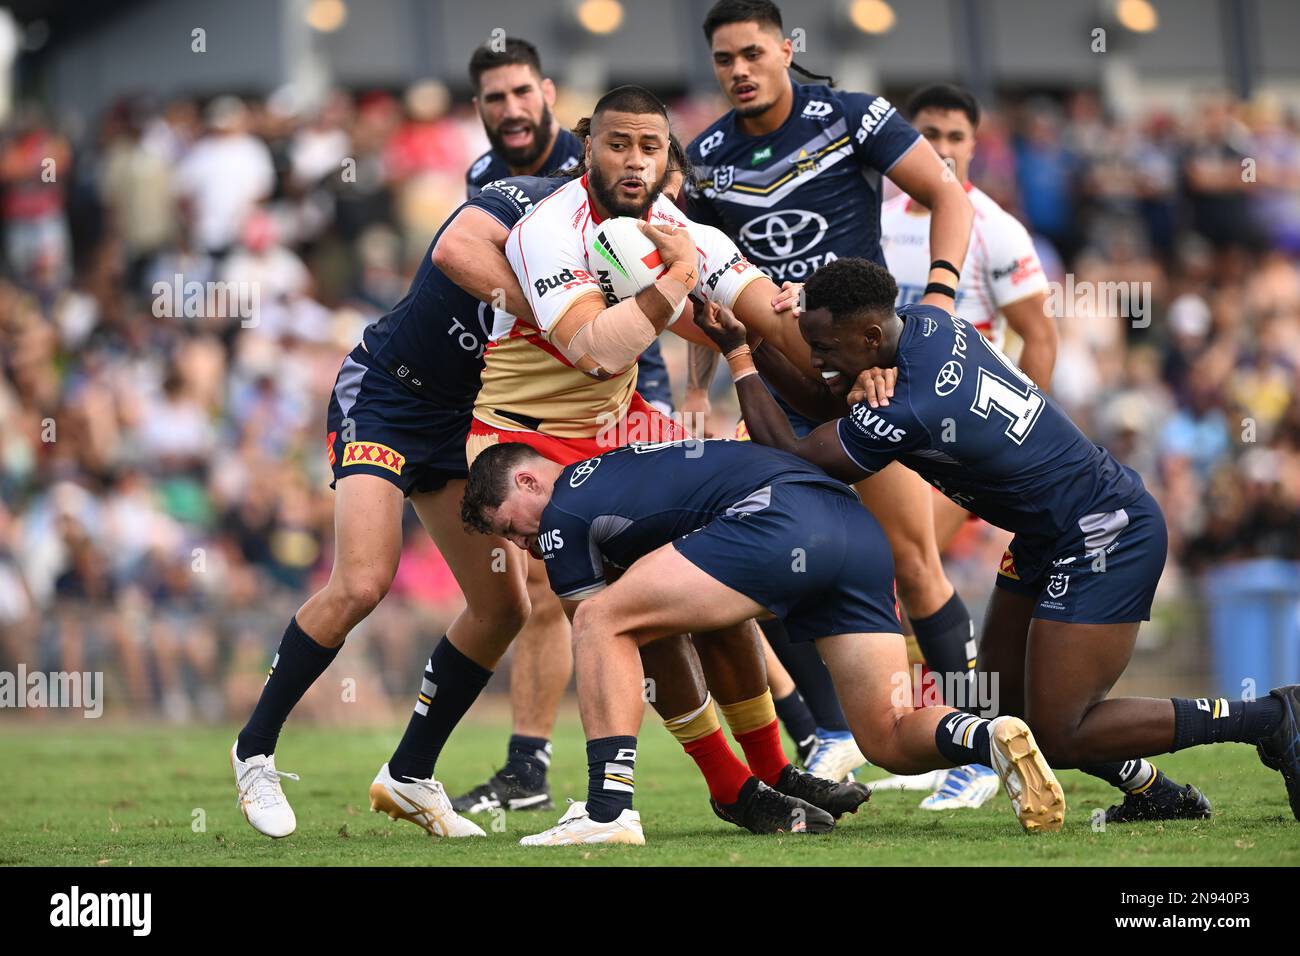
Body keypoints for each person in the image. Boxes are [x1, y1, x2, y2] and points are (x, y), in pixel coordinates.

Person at [695, 256, 1300, 825]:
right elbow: (825, 397)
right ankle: (1158, 794)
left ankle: (1269, 717)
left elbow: (799, 454)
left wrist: (742, 357)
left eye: (824, 347)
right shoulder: (928, 325)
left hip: (1103, 528)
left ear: (870, 340)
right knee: (1006, 713)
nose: (817, 360)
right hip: (1048, 532)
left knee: (1061, 732)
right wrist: (758, 350)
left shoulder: (911, 405)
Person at [454, 84, 872, 833]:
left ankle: (771, 771)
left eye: (651, 147)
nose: (635, 161)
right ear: (588, 145)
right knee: (620, 619)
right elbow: (589, 350)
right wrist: (678, 282)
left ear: (668, 156)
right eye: (618, 144)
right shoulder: (549, 227)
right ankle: (716, 786)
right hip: (529, 434)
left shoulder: (677, 226)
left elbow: (767, 318)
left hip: (616, 428)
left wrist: (865, 359)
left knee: (698, 597)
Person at [460, 438, 1065, 845]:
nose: (522, 547)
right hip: (852, 527)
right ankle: (985, 734)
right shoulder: (626, 476)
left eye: (509, 528)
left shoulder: (564, 511)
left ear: (526, 479)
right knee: (886, 735)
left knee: (598, 621)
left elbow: (614, 633)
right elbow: (693, 616)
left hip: (778, 518)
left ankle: (609, 809)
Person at [681, 0, 977, 782]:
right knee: (774, 564)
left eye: (751, 54)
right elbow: (694, 285)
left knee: (913, 562)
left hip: (868, 374)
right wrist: (696, 388)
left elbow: (950, 194)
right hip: (778, 383)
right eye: (723, 60)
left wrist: (935, 310)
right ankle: (833, 734)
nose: (738, 71)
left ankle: (978, 748)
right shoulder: (705, 157)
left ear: (785, 49)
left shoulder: (848, 115)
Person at [230, 173, 563, 840]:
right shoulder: (531, 201)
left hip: (461, 424)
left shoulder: (614, 253)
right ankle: (254, 750)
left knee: (504, 604)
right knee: (362, 581)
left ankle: (409, 775)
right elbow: (451, 250)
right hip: (385, 395)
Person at [455, 42, 675, 811]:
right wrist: (545, 313)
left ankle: (799, 726)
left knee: (658, 581)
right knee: (563, 586)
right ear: (479, 107)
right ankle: (533, 768)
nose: (510, 109)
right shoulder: (488, 183)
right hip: (555, 394)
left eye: (521, 92)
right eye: (493, 98)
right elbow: (458, 255)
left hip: (624, 384)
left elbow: (669, 254)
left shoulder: (603, 170)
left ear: (551, 98)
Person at [873, 82, 1056, 808]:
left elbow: (1039, 334)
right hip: (890, 432)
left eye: (954, 135)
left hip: (961, 442)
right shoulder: (877, 219)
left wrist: (1024, 439)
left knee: (907, 565)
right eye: (929, 135)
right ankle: (942, 732)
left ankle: (977, 744)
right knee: (890, 574)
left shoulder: (993, 227)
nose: (942, 148)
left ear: (975, 145)